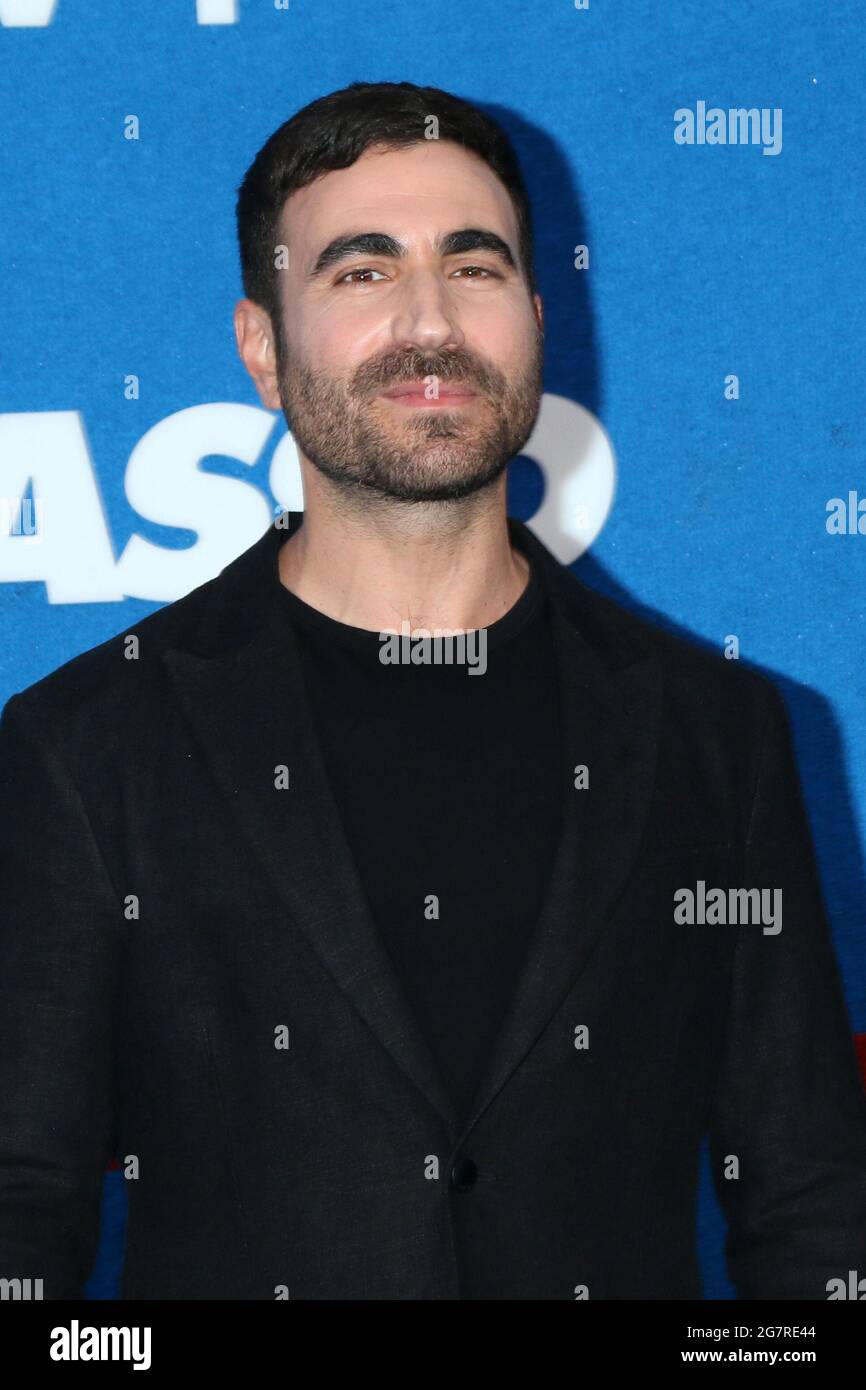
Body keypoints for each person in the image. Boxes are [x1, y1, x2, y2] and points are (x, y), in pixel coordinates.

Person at [1, 80, 864, 1300]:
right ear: (261, 347)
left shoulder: (714, 733)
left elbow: (810, 1198)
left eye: (474, 267)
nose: (429, 320)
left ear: (534, 318)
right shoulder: (85, 747)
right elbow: (18, 1201)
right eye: (360, 271)